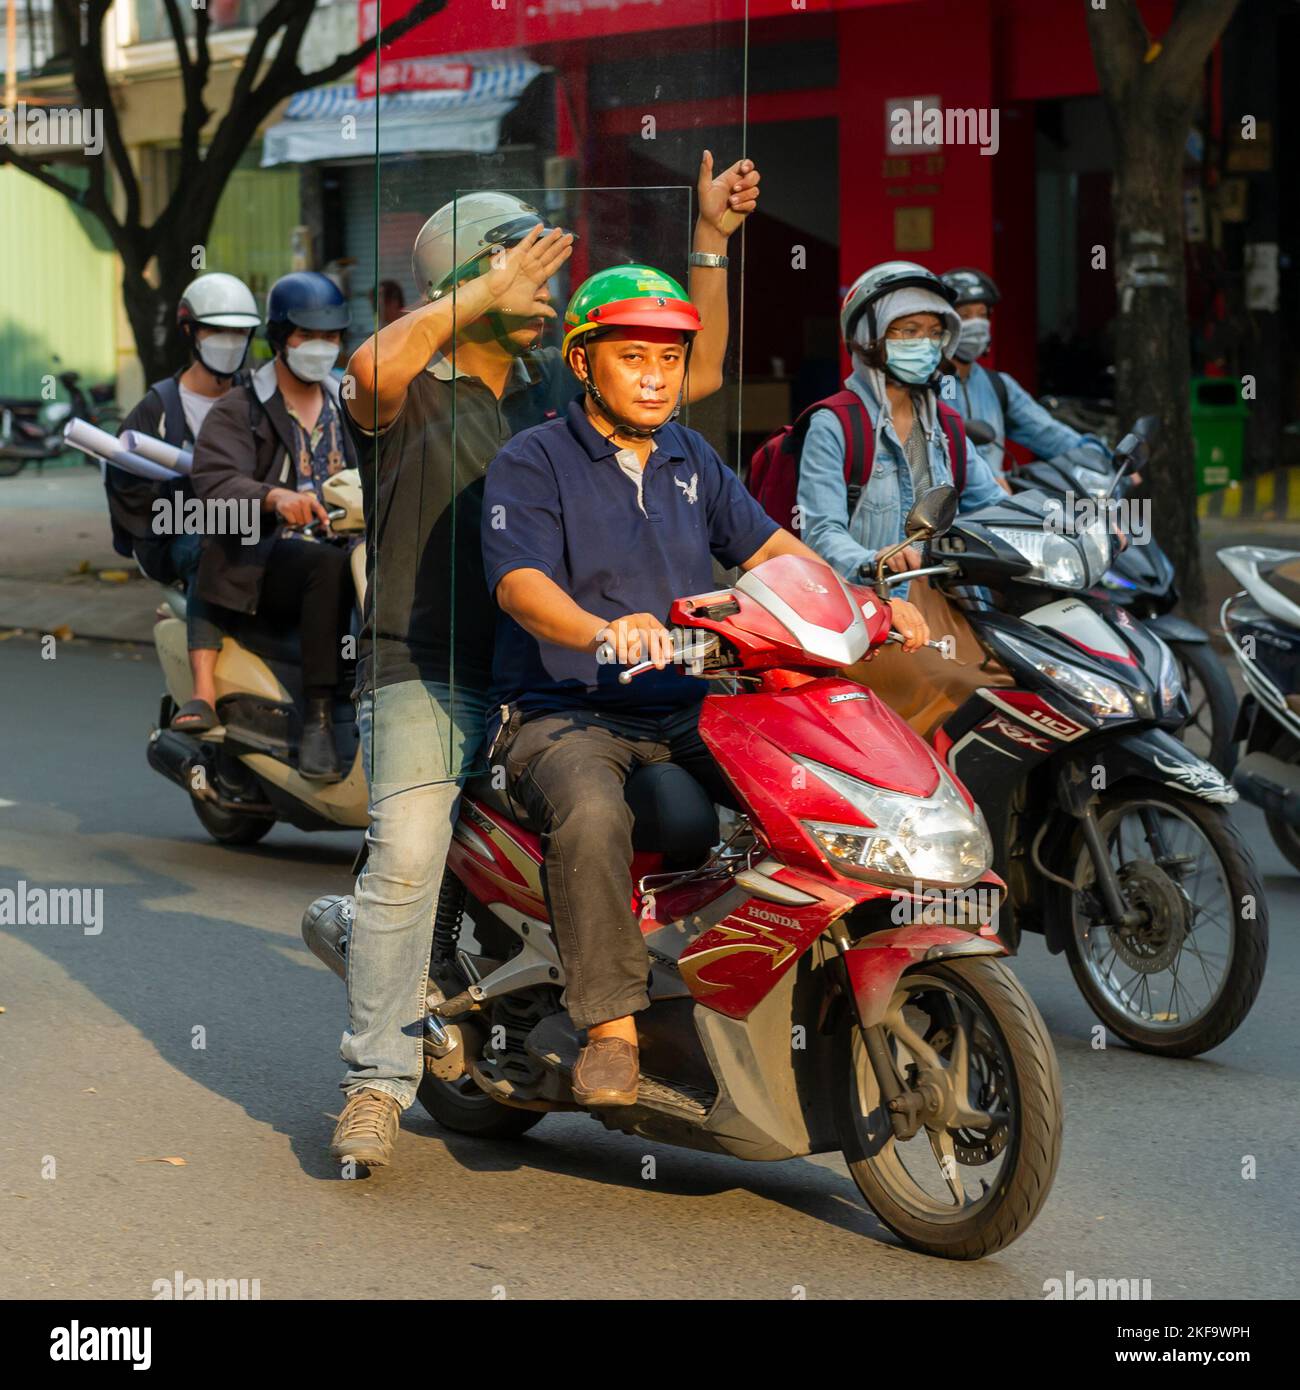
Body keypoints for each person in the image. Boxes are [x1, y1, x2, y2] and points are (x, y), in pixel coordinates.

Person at [323, 154, 765, 1170]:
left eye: (544, 264)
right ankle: (375, 1083)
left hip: (559, 674)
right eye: (519, 266)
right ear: (462, 282)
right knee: (406, 852)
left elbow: (687, 373)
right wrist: (477, 290)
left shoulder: (546, 391)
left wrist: (711, 243)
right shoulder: (413, 386)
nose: (543, 284)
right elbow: (367, 373)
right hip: (427, 667)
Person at [481, 267, 930, 1107]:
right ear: (583, 363)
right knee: (592, 812)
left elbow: (770, 552)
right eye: (633, 356)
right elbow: (520, 586)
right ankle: (611, 1029)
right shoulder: (532, 460)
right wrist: (601, 629)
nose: (656, 375)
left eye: (669, 358)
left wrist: (863, 602)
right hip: (563, 712)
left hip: (690, 703)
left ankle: (773, 973)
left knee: (808, 778)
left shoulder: (693, 457)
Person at [796, 260, 1011, 737]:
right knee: (961, 697)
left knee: (1021, 694)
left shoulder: (948, 427)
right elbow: (820, 532)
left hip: (950, 608)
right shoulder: (836, 424)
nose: (924, 343)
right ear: (869, 338)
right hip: (869, 618)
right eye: (908, 330)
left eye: (933, 332)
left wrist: (1072, 525)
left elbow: (992, 507)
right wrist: (877, 560)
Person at [189, 271, 359, 780]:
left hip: (350, 549)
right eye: (308, 336)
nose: (321, 348)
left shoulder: (349, 403)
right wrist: (273, 497)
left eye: (331, 338)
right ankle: (320, 719)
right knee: (325, 566)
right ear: (281, 339)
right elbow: (214, 483)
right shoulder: (238, 408)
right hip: (263, 560)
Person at [109, 272, 260, 732]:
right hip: (185, 532)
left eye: (239, 332)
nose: (229, 342)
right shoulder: (157, 408)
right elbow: (125, 486)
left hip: (259, 521)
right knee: (211, 545)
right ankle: (202, 694)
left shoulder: (259, 394)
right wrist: (184, 494)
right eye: (217, 330)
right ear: (191, 332)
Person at [940, 267, 1108, 477]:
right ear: (945, 325)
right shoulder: (933, 383)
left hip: (995, 503)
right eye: (964, 315)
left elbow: (1046, 431)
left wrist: (1101, 458)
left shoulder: (998, 385)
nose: (976, 323)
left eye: (982, 315)